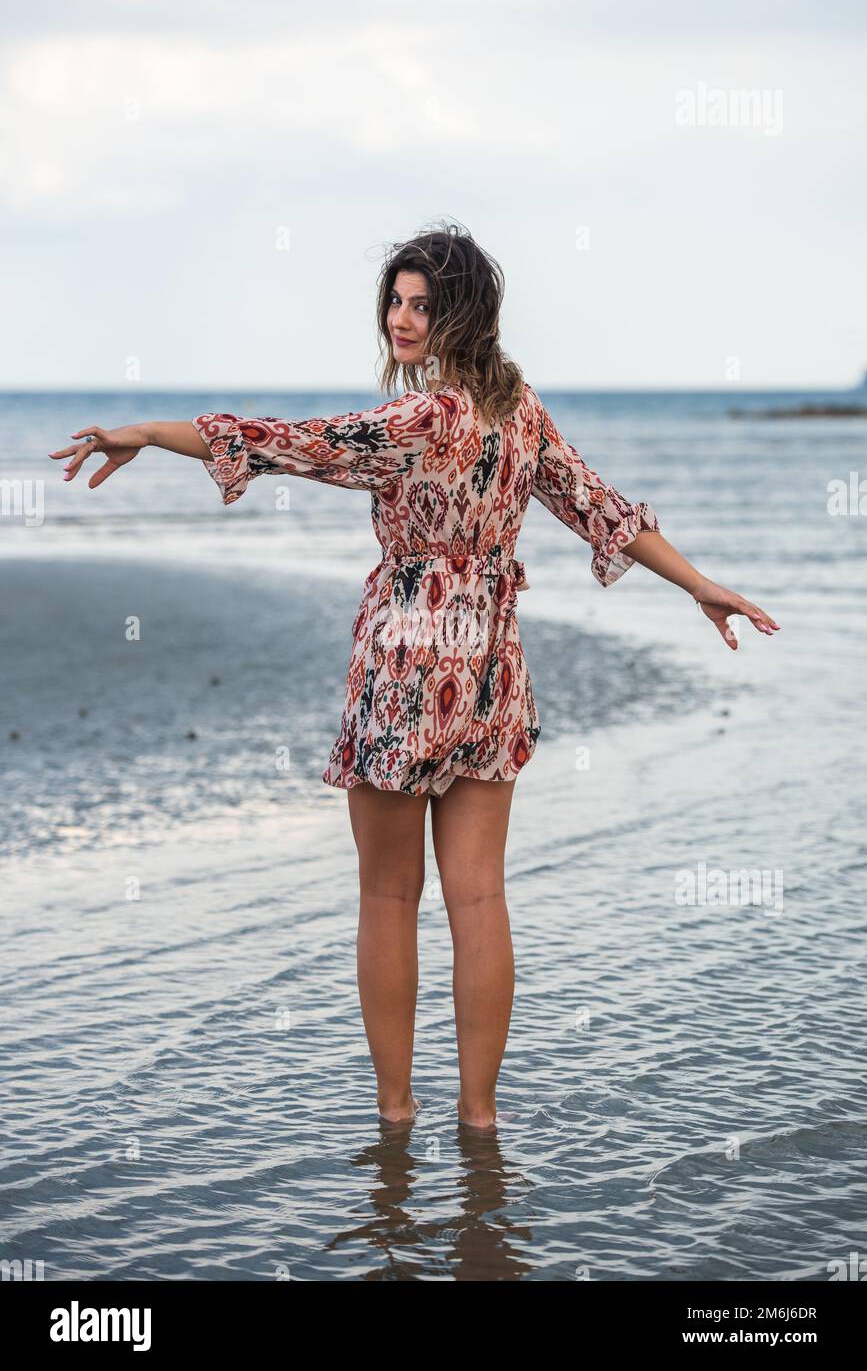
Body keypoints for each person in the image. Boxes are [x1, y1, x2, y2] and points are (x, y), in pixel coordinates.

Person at [49, 221, 780, 1132]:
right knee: (480, 897)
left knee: (389, 896)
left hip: (404, 660)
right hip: (490, 662)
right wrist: (701, 586)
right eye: (394, 301)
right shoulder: (520, 413)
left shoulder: (415, 418)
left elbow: (287, 441)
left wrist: (151, 434)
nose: (401, 318)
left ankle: (396, 1114)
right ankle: (479, 1119)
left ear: (459, 312)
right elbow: (602, 509)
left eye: (421, 305)